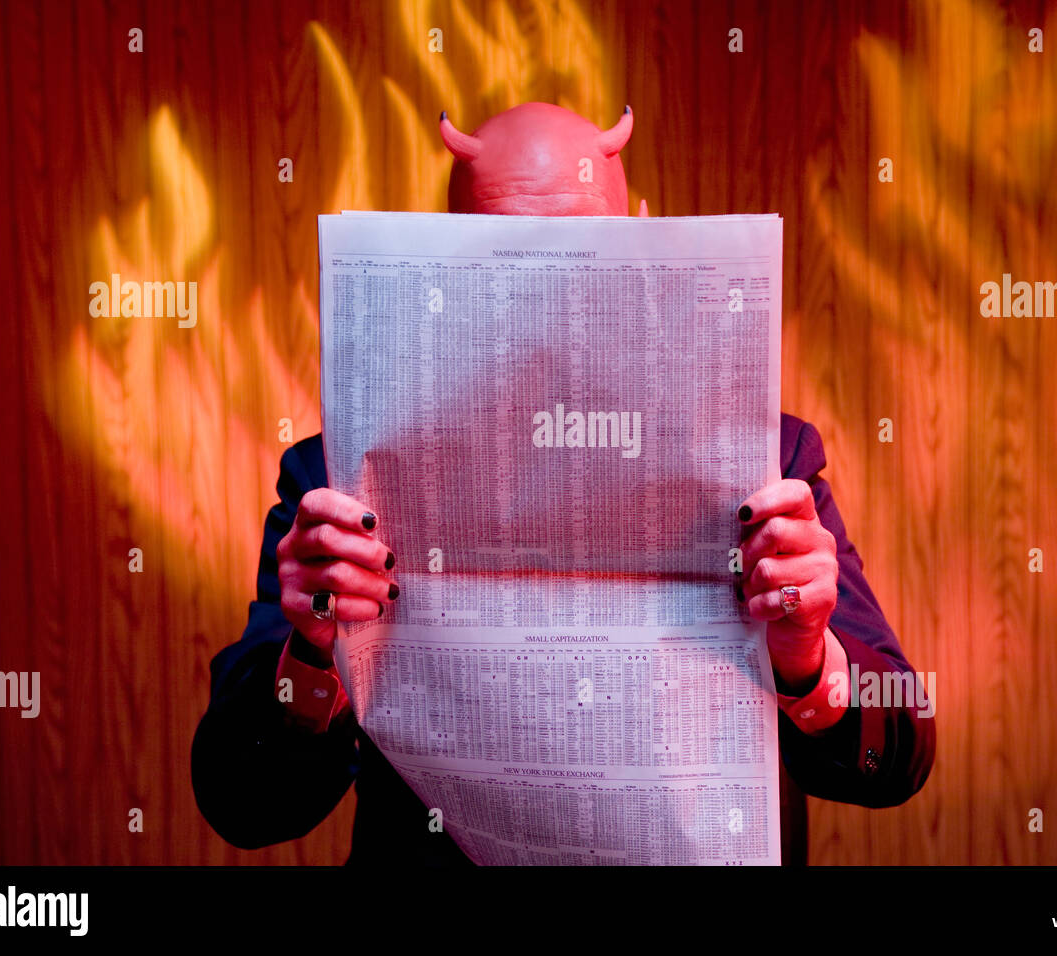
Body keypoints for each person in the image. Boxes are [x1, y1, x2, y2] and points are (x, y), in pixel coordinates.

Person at [191, 103, 935, 865]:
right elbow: (244, 804)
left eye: (583, 249)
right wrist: (313, 658)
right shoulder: (341, 475)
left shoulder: (768, 457)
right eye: (501, 256)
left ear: (641, 245)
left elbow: (899, 755)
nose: (546, 290)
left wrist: (809, 661)